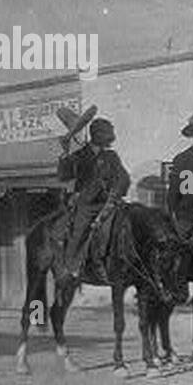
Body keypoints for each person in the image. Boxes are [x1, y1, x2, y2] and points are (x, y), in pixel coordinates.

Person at [55, 114, 130, 282]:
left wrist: (115, 194)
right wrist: (64, 152)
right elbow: (63, 175)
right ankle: (71, 267)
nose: (111, 137)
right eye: (106, 133)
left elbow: (123, 177)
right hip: (88, 204)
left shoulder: (111, 156)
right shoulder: (80, 155)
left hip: (110, 202)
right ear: (96, 134)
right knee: (80, 231)